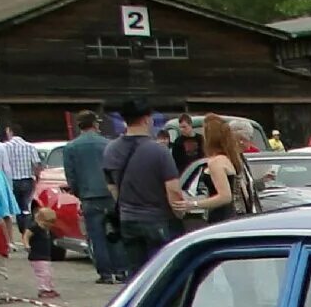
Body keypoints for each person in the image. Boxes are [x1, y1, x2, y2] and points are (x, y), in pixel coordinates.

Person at [102, 98, 185, 273]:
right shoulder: (159, 151)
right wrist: (180, 213)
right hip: (157, 219)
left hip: (127, 219)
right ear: (147, 119)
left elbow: (112, 187)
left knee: (136, 272)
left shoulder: (110, 149)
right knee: (162, 270)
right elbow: (173, 190)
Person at [62, 111, 118, 283]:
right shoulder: (108, 144)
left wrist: (79, 192)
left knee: (97, 236)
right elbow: (115, 170)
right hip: (110, 194)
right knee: (116, 234)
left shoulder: (70, 147)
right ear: (94, 124)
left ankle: (105, 274)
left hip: (89, 196)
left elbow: (71, 176)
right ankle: (122, 270)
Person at [186, 113, 259, 225]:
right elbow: (244, 191)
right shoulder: (232, 159)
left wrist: (194, 204)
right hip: (234, 216)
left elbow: (225, 196)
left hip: (221, 217)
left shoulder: (216, 162)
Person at [1, 123, 41, 217]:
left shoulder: (4, 147)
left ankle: (21, 226)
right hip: (27, 180)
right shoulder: (30, 146)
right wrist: (37, 178)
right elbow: (36, 164)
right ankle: (27, 225)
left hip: (12, 181)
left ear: (11, 132)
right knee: (27, 207)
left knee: (17, 208)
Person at [28, 206, 60, 298]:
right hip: (37, 256)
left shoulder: (46, 230)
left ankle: (49, 288)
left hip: (45, 256)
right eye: (48, 223)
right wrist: (26, 245)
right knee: (43, 273)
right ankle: (43, 289)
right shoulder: (34, 227)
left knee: (48, 272)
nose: (50, 225)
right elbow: (26, 235)